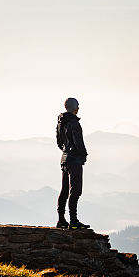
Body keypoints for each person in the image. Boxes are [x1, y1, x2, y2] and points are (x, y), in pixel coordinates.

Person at [55, 97, 90, 230]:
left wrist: (66, 151)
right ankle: (73, 221)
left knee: (64, 191)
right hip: (74, 160)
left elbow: (59, 142)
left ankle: (61, 220)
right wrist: (83, 155)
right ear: (75, 107)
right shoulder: (74, 123)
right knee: (75, 191)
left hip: (64, 159)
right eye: (77, 106)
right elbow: (78, 142)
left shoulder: (60, 123)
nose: (78, 108)